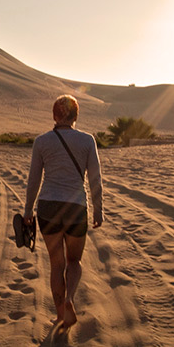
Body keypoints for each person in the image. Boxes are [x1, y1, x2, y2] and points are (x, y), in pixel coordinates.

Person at [24, 95, 103, 334]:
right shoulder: (87, 141)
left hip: (48, 206)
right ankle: (69, 298)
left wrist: (28, 209)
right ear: (76, 116)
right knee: (74, 262)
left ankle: (60, 315)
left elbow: (34, 178)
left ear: (54, 115)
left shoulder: (42, 141)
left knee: (56, 265)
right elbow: (95, 178)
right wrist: (98, 209)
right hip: (76, 207)